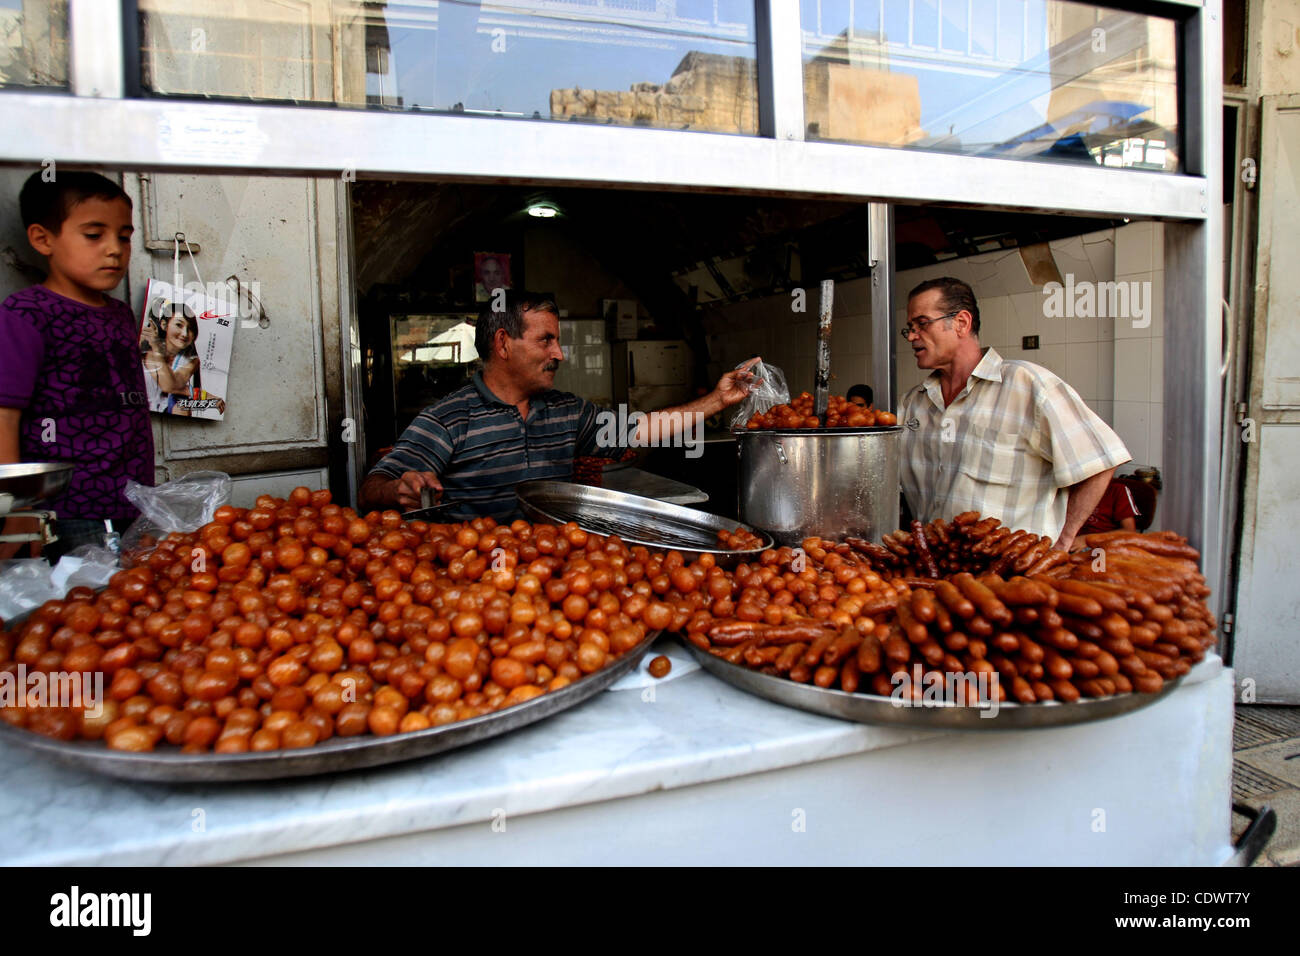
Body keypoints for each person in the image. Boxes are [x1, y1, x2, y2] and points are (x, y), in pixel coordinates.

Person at [360, 291, 759, 519]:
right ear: (502, 344)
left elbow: (641, 430)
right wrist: (398, 489)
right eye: (546, 340)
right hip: (478, 586)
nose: (560, 353)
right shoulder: (447, 419)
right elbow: (370, 489)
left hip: (557, 575)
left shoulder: (568, 412)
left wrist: (717, 400)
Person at [896, 277, 1129, 550]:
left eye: (922, 324)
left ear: (961, 323)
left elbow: (1100, 461)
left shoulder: (1028, 385)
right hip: (940, 573)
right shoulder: (912, 404)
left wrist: (1064, 541)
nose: (912, 336)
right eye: (909, 328)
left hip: (1015, 579)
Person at [0, 171, 154, 561]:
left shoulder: (119, 315)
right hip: (65, 514)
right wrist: (15, 510)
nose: (114, 249)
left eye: (124, 236)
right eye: (94, 235)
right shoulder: (27, 314)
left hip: (132, 507)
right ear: (42, 239)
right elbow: (4, 418)